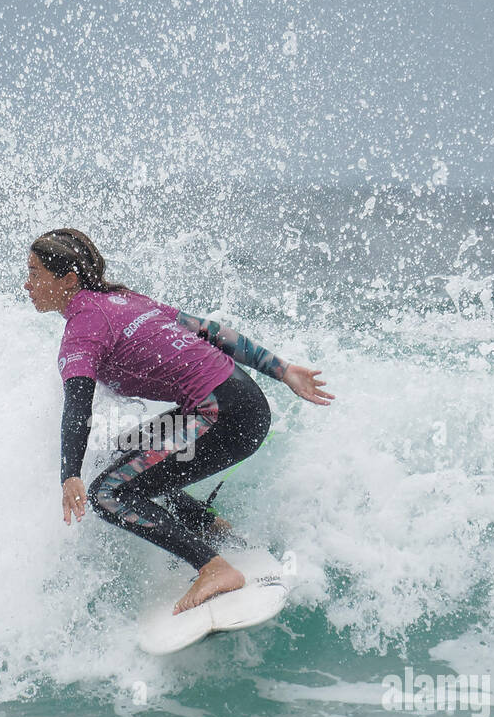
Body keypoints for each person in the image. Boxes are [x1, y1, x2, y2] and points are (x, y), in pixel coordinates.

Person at [25, 228, 333, 614]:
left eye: (36, 273)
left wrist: (69, 474)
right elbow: (210, 330)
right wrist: (280, 369)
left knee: (108, 493)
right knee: (121, 457)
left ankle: (213, 567)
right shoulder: (122, 300)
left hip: (221, 416)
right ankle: (210, 529)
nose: (27, 284)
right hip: (242, 401)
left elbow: (77, 407)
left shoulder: (82, 330)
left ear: (68, 280)